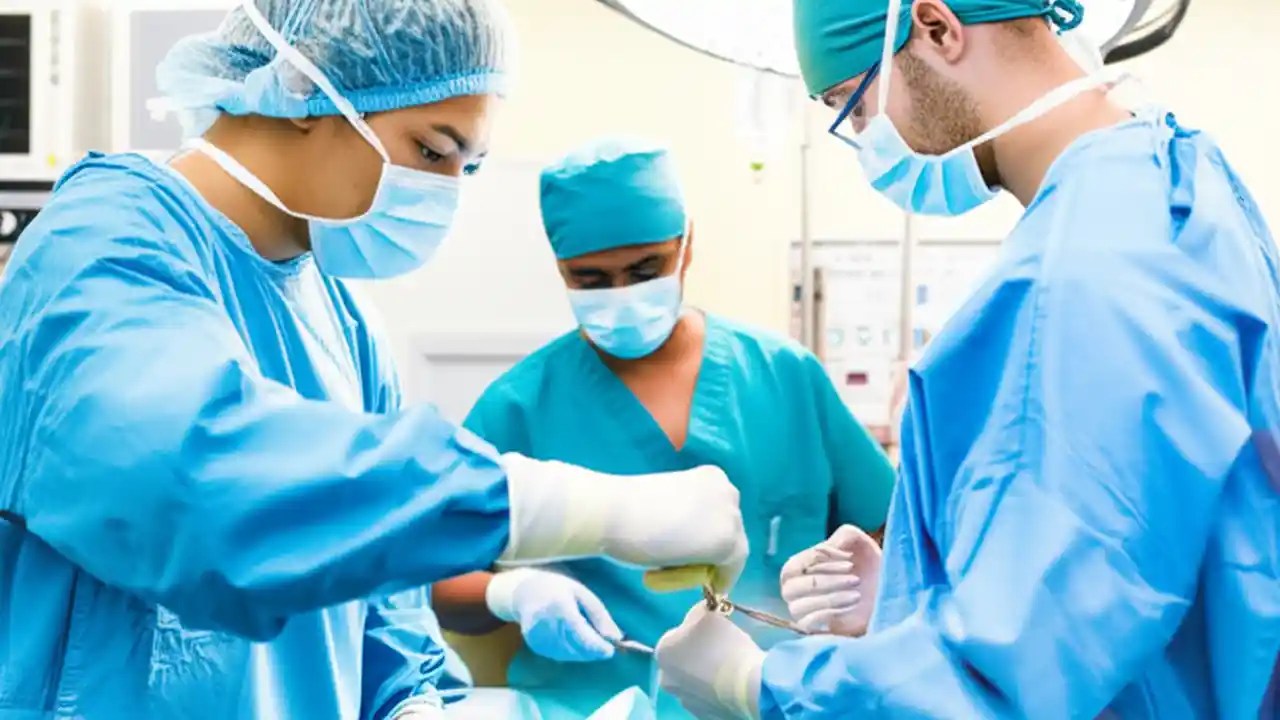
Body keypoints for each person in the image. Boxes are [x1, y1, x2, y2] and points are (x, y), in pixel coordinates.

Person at [0, 2, 749, 718]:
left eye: (470, 166)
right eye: (432, 150)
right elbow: (196, 487)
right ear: (303, 88)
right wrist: (589, 509)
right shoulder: (103, 243)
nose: (445, 193)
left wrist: (410, 700)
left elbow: (379, 602)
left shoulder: (343, 321)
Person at [652, 0, 1280, 718]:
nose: (867, 142)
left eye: (854, 109)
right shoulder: (1175, 178)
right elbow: (1148, 539)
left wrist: (754, 684)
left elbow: (1019, 673)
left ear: (938, 27)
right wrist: (914, 586)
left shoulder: (1081, 276)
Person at [429, 137, 895, 718]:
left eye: (645, 268)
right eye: (592, 279)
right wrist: (513, 594)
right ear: (560, 269)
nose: (622, 294)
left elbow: (888, 530)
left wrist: (859, 584)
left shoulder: (783, 374)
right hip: (590, 706)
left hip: (773, 699)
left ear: (687, 245)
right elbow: (435, 577)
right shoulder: (519, 405)